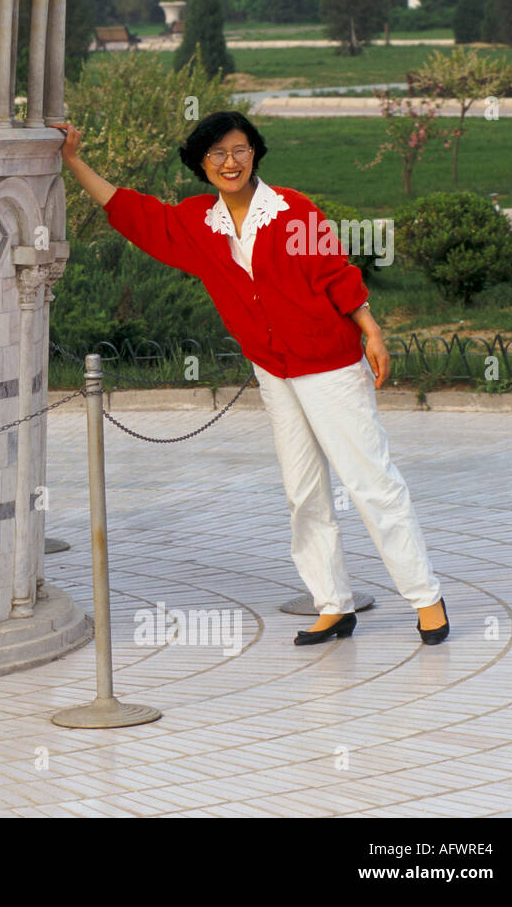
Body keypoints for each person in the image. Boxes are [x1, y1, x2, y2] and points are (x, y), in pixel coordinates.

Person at [55, 110, 449, 646]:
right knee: (303, 491)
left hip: (329, 364)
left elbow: (336, 273)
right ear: (201, 164)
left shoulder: (293, 211)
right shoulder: (199, 223)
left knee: (370, 483)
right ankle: (333, 604)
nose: (229, 162)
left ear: (255, 152)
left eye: (239, 150)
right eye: (216, 154)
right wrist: (74, 161)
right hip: (273, 368)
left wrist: (371, 330)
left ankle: (426, 599)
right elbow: (135, 213)